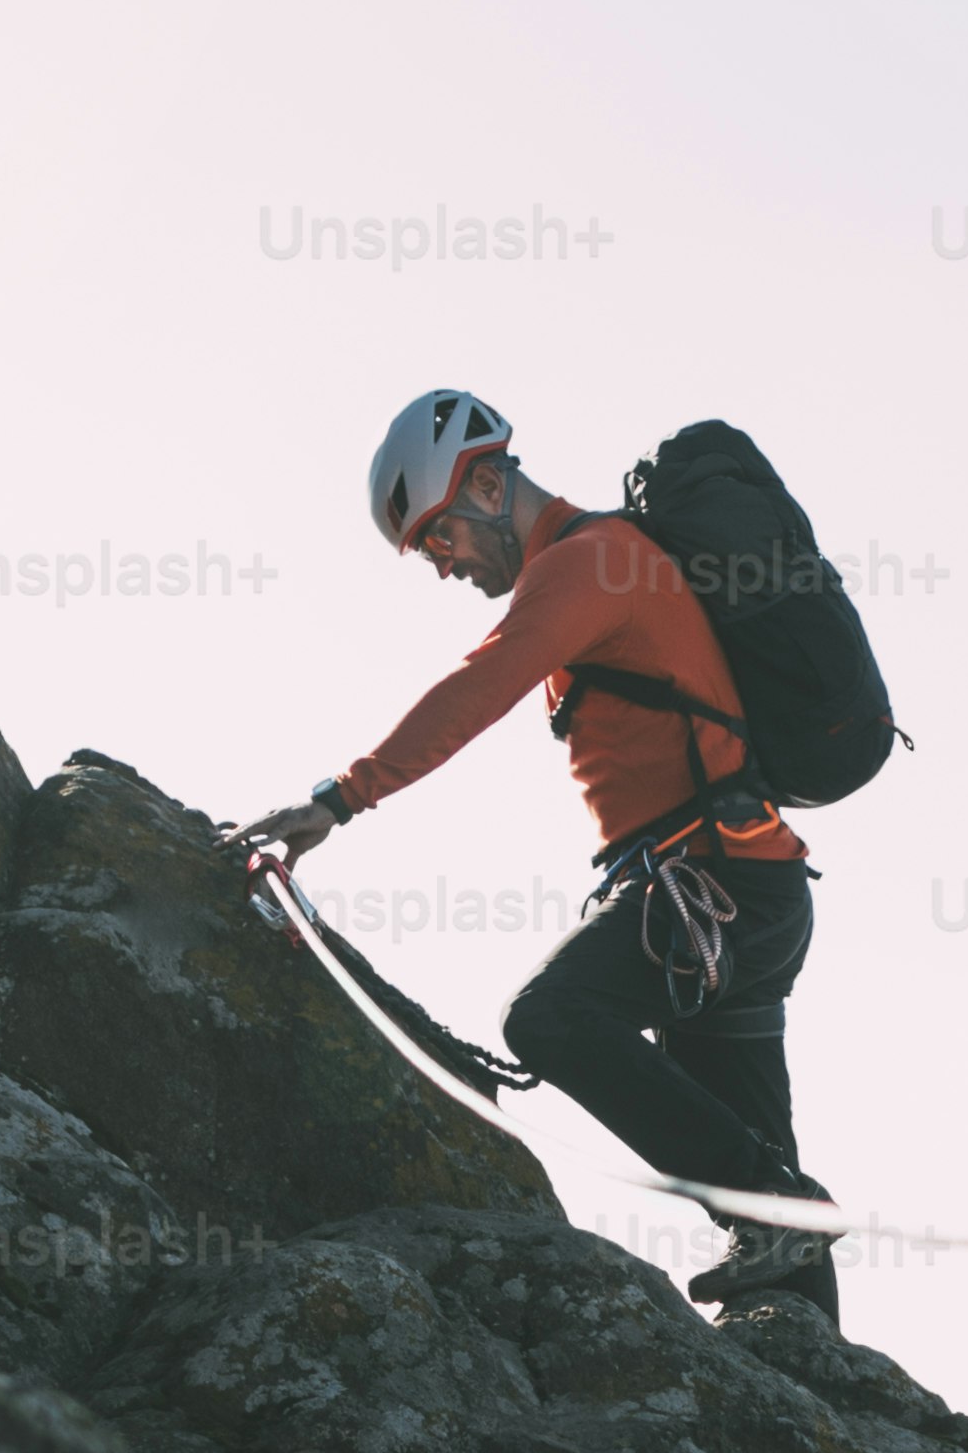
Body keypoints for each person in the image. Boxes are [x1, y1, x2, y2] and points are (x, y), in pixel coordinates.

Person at [226, 390, 836, 1328]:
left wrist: (336, 800)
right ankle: (818, 1371)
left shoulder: (585, 564)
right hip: (743, 890)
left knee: (549, 1018)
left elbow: (482, 685)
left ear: (482, 484)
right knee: (762, 1163)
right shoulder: (601, 561)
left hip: (711, 888)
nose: (442, 567)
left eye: (439, 540)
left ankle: (783, 1233)